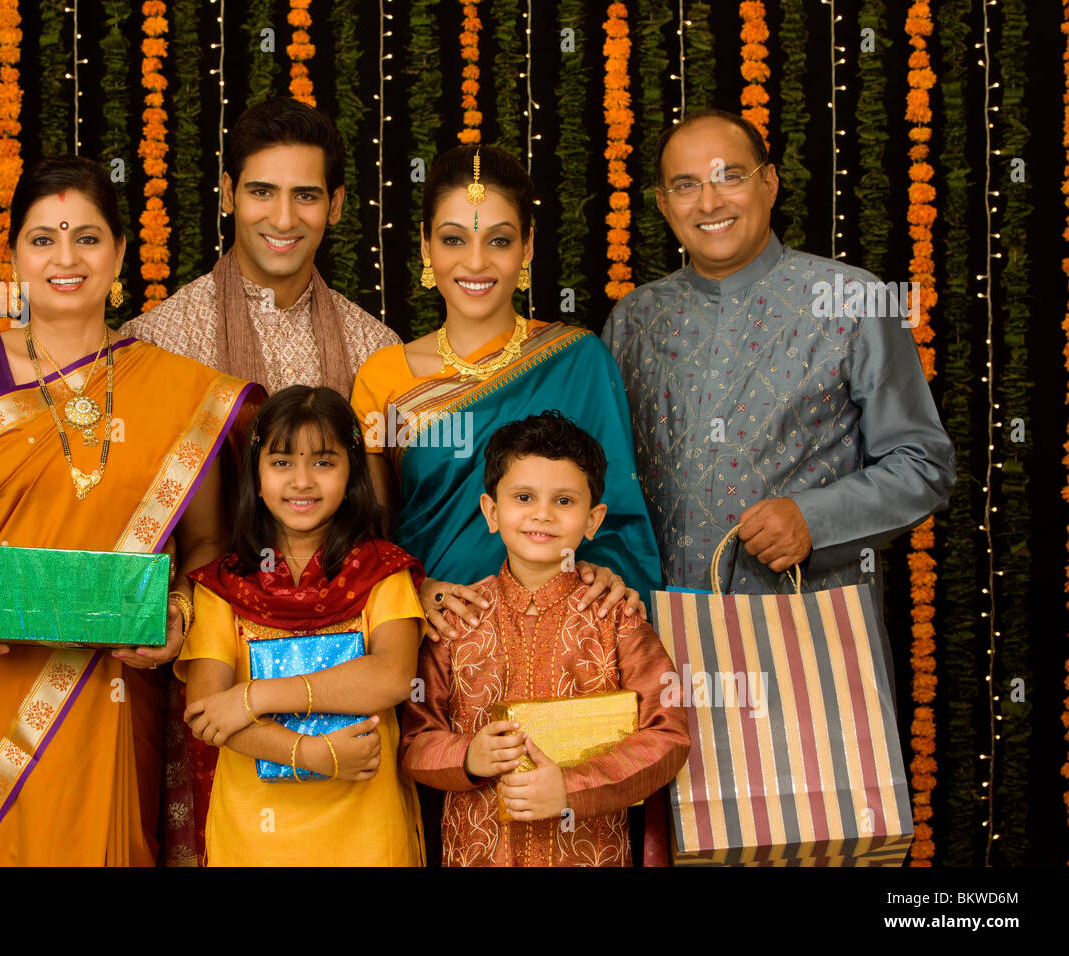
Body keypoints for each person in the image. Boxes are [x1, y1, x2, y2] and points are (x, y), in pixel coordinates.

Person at [0, 156, 258, 866]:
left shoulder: (178, 391)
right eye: (43, 239)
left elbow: (208, 539)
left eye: (87, 238)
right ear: (14, 256)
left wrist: (179, 615)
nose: (66, 258)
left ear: (120, 252)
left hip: (116, 688)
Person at [602, 108, 955, 614]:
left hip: (808, 630)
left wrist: (814, 519)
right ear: (663, 204)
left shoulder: (852, 300)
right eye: (686, 185)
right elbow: (606, 478)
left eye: (729, 176)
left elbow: (923, 463)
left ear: (769, 183)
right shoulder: (634, 320)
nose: (709, 201)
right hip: (657, 631)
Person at [351, 144, 662, 641]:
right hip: (433, 640)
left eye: (499, 241)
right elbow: (367, 538)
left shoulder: (578, 358)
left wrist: (608, 570)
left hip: (562, 634)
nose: (476, 263)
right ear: (426, 247)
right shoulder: (382, 376)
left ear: (528, 247)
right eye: (453, 240)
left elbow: (618, 513)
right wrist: (414, 588)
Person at [399, 412, 691, 866]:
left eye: (564, 501)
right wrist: (467, 756)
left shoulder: (616, 616)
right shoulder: (458, 620)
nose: (542, 514)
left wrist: (572, 787)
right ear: (491, 512)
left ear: (593, 520)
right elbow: (414, 737)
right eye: (523, 497)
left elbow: (668, 734)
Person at [178, 386, 425, 865]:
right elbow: (207, 715)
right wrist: (312, 755)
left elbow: (392, 677)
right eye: (282, 462)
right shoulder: (222, 585)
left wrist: (256, 696)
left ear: (353, 471)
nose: (303, 481)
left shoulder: (381, 571)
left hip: (367, 833)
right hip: (255, 837)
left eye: (325, 462)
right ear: (255, 474)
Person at [121, 97, 399, 396]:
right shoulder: (157, 343)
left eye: (305, 196)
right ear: (228, 194)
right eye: (263, 192)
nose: (283, 220)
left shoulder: (374, 349)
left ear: (335, 205)